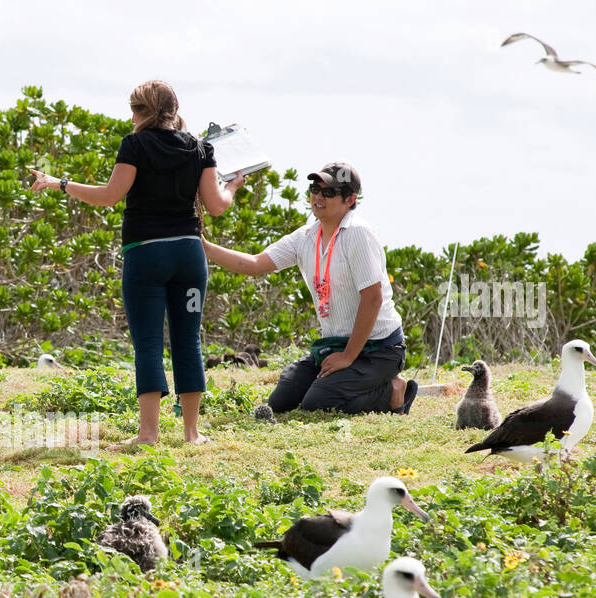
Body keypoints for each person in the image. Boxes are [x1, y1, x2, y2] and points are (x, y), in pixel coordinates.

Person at [29, 80, 246, 449]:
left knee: (148, 342)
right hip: (190, 255)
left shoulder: (134, 145)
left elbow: (110, 196)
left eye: (134, 110)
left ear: (141, 112)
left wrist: (59, 183)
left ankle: (148, 434)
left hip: (146, 253)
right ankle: (192, 434)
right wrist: (233, 187)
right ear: (174, 110)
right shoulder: (200, 148)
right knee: (188, 338)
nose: (131, 117)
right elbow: (215, 205)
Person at [202, 162, 417, 416]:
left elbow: (372, 298)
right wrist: (202, 244)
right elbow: (255, 264)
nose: (318, 196)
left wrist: (348, 356)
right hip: (336, 344)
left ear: (350, 199)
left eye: (329, 192)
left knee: (319, 402)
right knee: (282, 400)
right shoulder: (306, 236)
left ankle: (393, 389)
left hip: (379, 349)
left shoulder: (358, 233)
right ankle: (357, 382)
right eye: (315, 188)